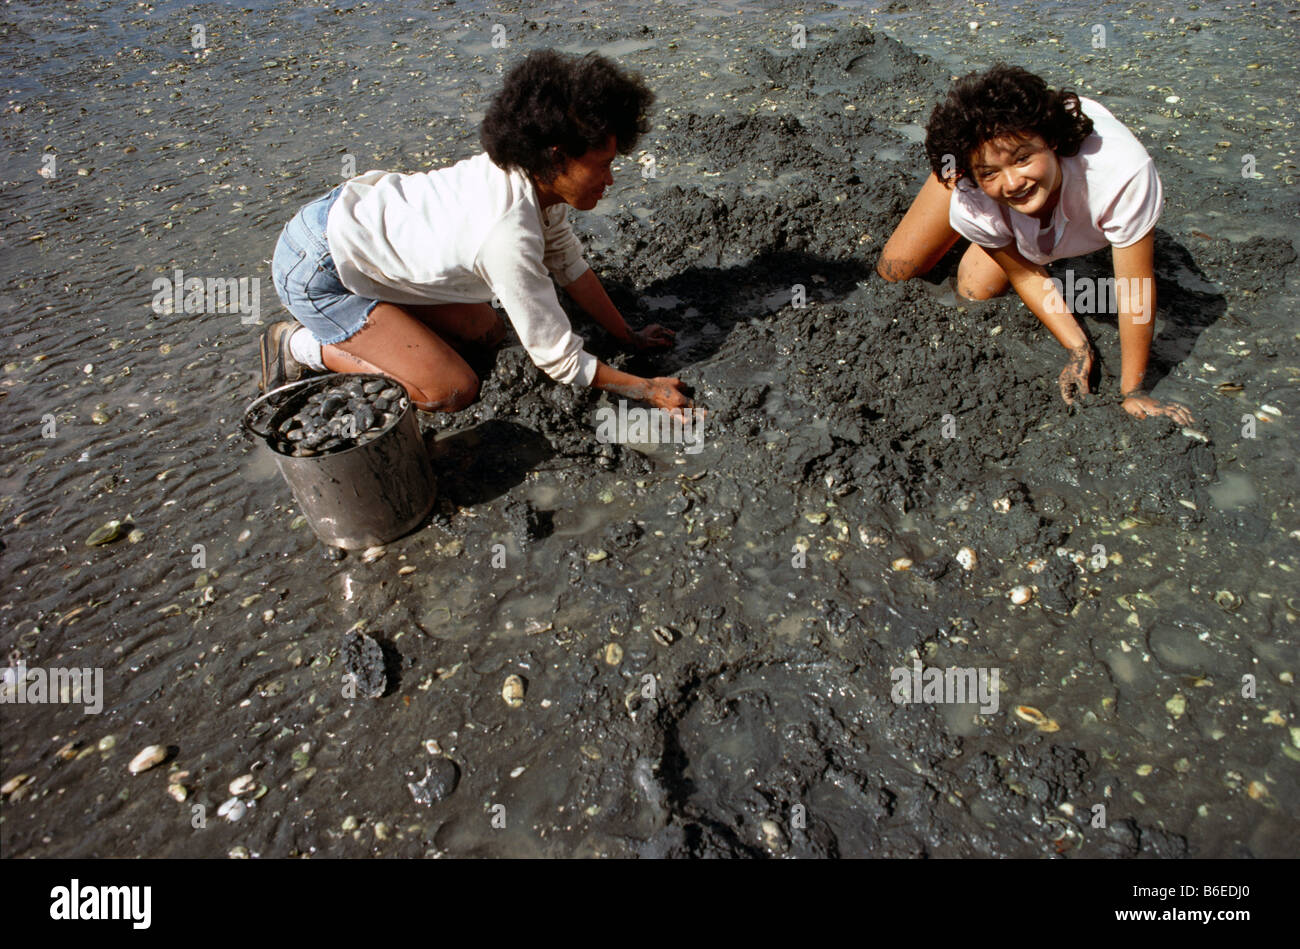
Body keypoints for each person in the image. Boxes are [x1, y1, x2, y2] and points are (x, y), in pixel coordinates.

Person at [260, 49, 692, 417]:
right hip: (318, 269)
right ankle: (298, 346)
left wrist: (627, 335)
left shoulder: (534, 179)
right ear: (558, 159)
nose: (610, 180)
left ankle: (391, 328)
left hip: (357, 234)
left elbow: (569, 265)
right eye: (602, 166)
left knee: (487, 332)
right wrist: (645, 388)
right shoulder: (507, 234)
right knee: (450, 390)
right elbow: (558, 360)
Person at [876, 63, 1193, 424]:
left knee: (975, 286)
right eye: (991, 173)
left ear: (1051, 141)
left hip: (1068, 171)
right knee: (896, 271)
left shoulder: (1122, 175)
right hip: (980, 177)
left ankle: (1008, 226)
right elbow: (1026, 275)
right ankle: (990, 215)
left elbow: (1135, 287)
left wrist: (1132, 391)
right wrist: (1077, 347)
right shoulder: (971, 192)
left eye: (1023, 159)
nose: (1013, 183)